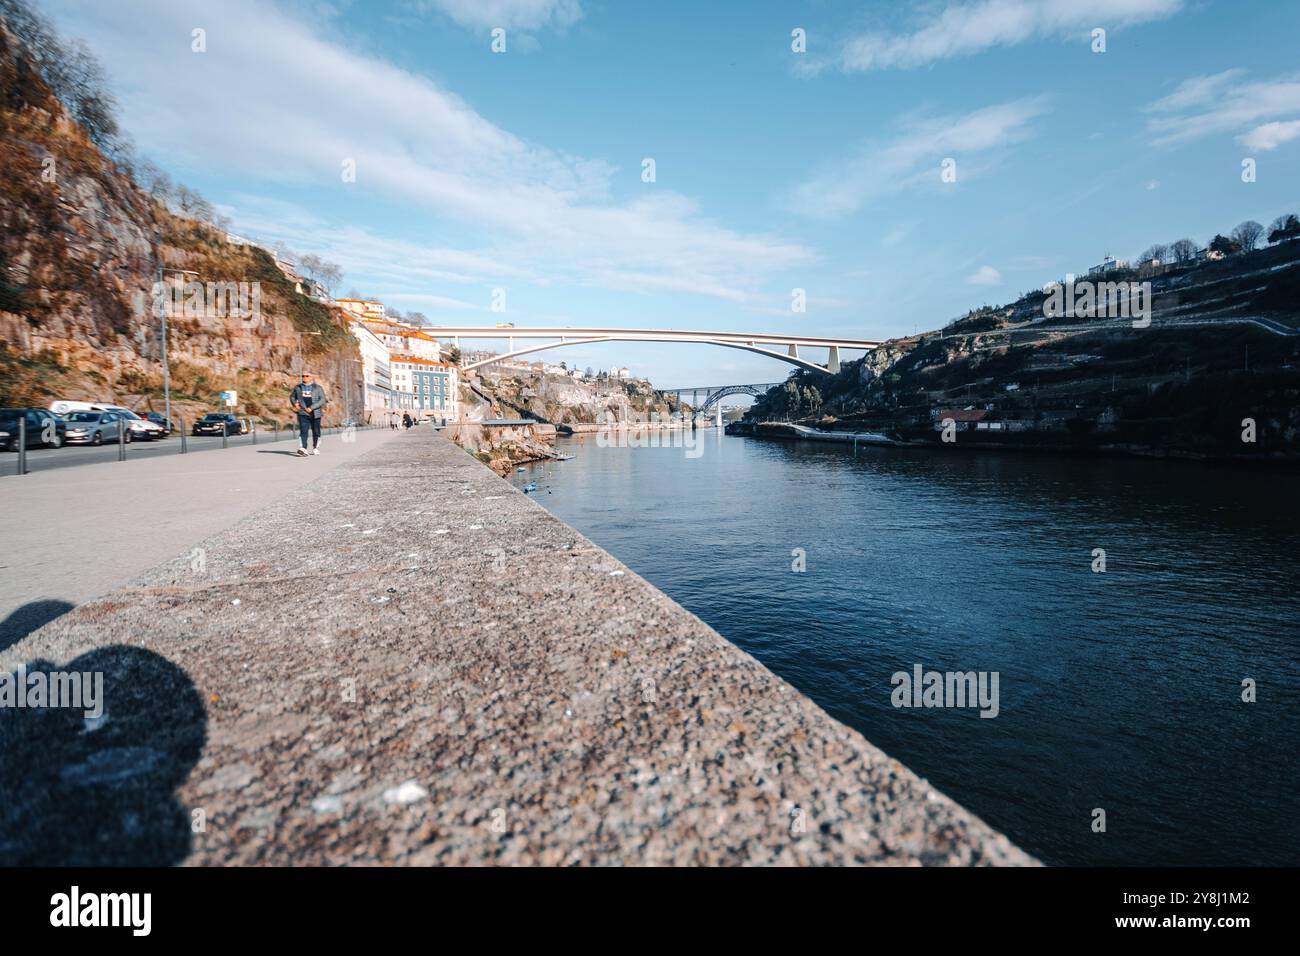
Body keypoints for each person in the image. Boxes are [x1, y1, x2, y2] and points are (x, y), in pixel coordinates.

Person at [289, 372, 329, 456]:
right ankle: (303, 448)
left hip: (315, 413)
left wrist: (311, 408)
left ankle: (315, 447)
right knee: (303, 431)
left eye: (307, 376)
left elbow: (322, 399)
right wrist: (294, 403)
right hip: (303, 412)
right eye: (303, 376)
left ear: (311, 377)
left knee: (316, 431)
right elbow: (292, 396)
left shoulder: (318, 388)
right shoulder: (298, 387)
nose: (304, 377)